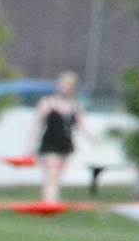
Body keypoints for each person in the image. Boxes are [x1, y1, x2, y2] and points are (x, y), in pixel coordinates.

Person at [28, 71, 94, 205]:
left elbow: (81, 126)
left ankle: (52, 203)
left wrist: (93, 139)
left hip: (64, 146)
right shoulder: (47, 103)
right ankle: (48, 204)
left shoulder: (75, 106)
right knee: (51, 175)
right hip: (49, 144)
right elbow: (37, 125)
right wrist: (30, 146)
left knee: (57, 177)